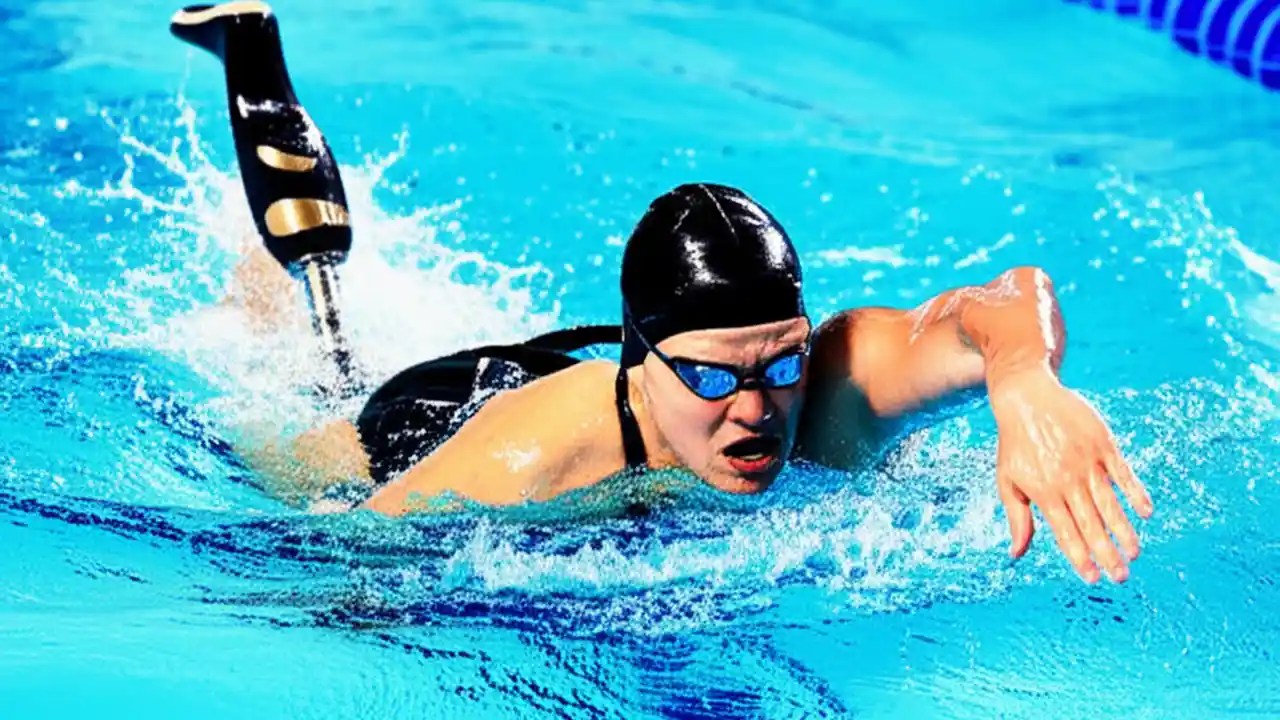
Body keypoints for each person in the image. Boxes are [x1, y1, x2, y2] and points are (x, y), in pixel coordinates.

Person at [171, 1, 1154, 585]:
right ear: (641, 368)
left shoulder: (839, 389)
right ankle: (259, 224)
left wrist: (1025, 385)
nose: (758, 409)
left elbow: (1001, 300)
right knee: (293, 431)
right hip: (449, 412)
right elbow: (343, 572)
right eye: (714, 380)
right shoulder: (539, 452)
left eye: (779, 362)